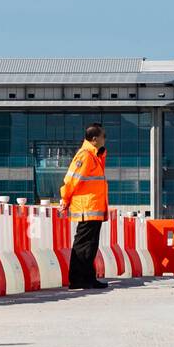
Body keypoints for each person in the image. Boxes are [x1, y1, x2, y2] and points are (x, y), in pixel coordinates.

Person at [59, 123, 110, 290]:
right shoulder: (85, 156)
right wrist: (64, 199)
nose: (105, 139)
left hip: (93, 208)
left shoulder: (94, 155)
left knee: (90, 245)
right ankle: (77, 279)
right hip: (86, 208)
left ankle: (88, 278)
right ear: (94, 139)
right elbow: (71, 179)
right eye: (103, 136)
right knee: (83, 245)